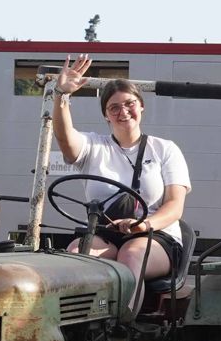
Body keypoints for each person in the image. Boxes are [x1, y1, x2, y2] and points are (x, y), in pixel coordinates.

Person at [51, 55, 191, 300]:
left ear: (141, 106)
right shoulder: (94, 146)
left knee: (131, 255)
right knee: (77, 252)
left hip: (154, 234)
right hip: (105, 232)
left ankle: (121, 329)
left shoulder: (165, 149)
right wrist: (61, 95)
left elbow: (174, 206)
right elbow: (65, 139)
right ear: (106, 115)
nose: (123, 111)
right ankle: (76, 326)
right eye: (113, 107)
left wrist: (143, 225)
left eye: (129, 104)